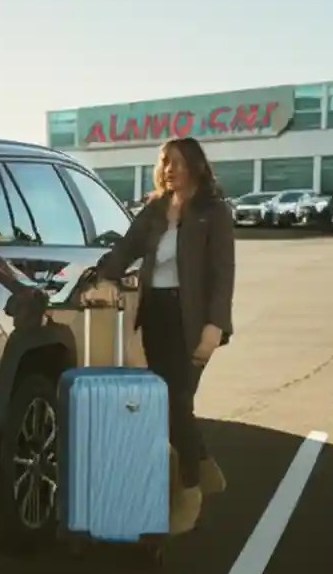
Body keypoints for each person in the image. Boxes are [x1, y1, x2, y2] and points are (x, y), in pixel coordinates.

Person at [87, 136, 234, 535]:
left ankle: (188, 490)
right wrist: (103, 277)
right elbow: (126, 248)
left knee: (177, 402)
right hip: (157, 317)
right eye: (165, 161)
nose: (170, 168)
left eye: (178, 162)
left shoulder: (213, 212)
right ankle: (203, 469)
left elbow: (223, 275)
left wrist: (213, 327)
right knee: (167, 403)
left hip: (194, 321)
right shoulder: (154, 210)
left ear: (197, 167)